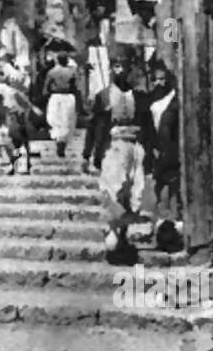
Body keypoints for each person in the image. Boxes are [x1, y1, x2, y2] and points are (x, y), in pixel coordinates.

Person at [83, 56, 148, 264]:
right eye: (117, 66)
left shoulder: (139, 96)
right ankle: (113, 235)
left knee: (133, 193)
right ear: (111, 69)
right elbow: (94, 127)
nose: (120, 71)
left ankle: (124, 236)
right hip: (113, 148)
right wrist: (88, 153)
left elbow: (148, 125)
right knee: (113, 192)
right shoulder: (103, 96)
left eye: (124, 67)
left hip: (135, 148)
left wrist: (152, 149)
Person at [146, 60, 183, 252]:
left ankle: (171, 230)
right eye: (156, 80)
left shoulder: (173, 101)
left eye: (162, 79)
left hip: (172, 150)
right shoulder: (151, 100)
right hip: (157, 150)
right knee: (159, 190)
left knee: (171, 190)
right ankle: (161, 228)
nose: (159, 83)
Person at [44, 54, 79, 158]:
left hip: (55, 97)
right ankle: (61, 146)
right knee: (67, 122)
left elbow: (46, 88)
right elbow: (77, 87)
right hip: (68, 97)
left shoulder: (51, 72)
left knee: (55, 121)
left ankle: (59, 144)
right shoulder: (72, 72)